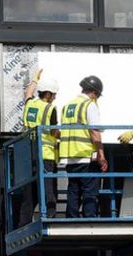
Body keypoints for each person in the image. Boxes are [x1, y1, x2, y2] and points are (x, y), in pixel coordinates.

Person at [58, 75, 107, 218]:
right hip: (85, 155)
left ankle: (71, 219)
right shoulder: (89, 105)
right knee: (89, 191)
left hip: (69, 156)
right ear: (94, 92)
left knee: (73, 190)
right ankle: (89, 220)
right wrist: (101, 155)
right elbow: (94, 132)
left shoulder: (67, 106)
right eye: (97, 96)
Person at [20, 74, 60, 221]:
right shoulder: (50, 108)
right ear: (48, 94)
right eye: (54, 94)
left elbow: (28, 93)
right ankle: (50, 217)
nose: (55, 97)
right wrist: (65, 135)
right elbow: (54, 132)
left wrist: (35, 79)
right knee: (49, 189)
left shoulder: (30, 104)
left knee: (29, 193)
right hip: (45, 154)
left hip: (28, 154)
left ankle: (24, 222)